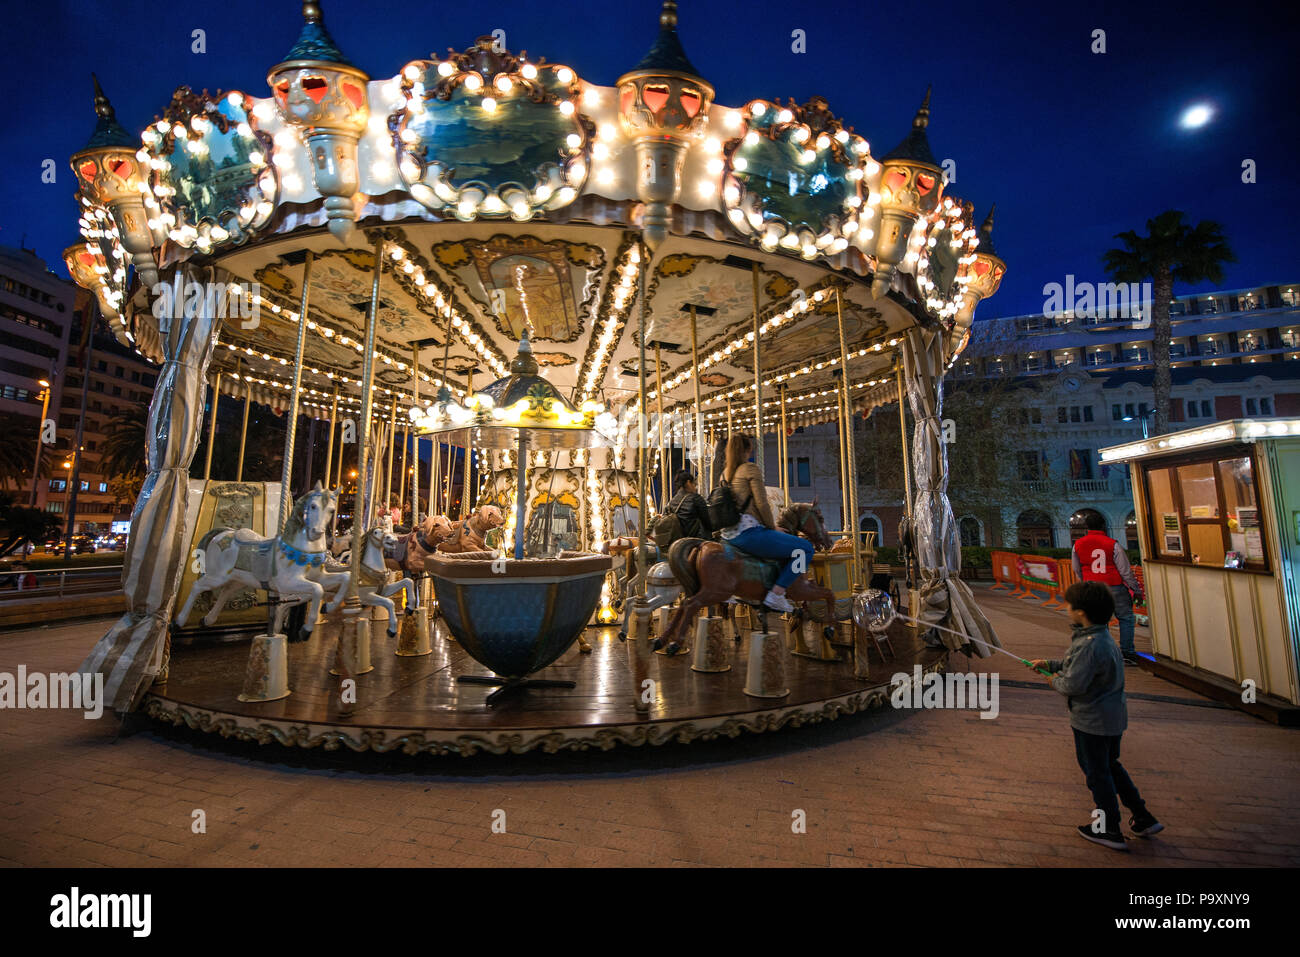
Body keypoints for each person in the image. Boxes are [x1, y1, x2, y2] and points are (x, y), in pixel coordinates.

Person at [1030, 581, 1163, 851]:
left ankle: (1108, 827)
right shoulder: (1100, 638)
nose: (1066, 607)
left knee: (1097, 773)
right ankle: (1143, 816)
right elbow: (1079, 666)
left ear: (1081, 612)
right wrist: (1051, 664)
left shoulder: (1089, 644)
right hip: (1112, 720)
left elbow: (1073, 684)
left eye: (1068, 604)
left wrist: (1053, 680)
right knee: (1111, 766)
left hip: (1092, 722)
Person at [718, 433, 813, 613]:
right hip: (748, 534)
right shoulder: (750, 469)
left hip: (727, 536)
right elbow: (762, 504)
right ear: (747, 450)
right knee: (805, 549)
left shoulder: (724, 475)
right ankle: (778, 592)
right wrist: (772, 527)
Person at [1071, 512, 1144, 663]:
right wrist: (1136, 590)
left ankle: (1103, 653)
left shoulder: (1078, 544)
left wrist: (1086, 581)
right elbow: (1125, 571)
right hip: (1114, 586)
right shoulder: (1113, 544)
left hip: (1093, 588)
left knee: (1098, 622)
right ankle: (1127, 653)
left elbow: (1076, 568)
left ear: (1086, 526)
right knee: (1126, 618)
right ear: (1103, 525)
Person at [664, 469, 712, 539]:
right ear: (688, 483)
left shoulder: (671, 502)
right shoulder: (695, 498)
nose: (695, 488)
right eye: (694, 484)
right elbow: (707, 522)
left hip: (676, 540)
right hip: (694, 539)